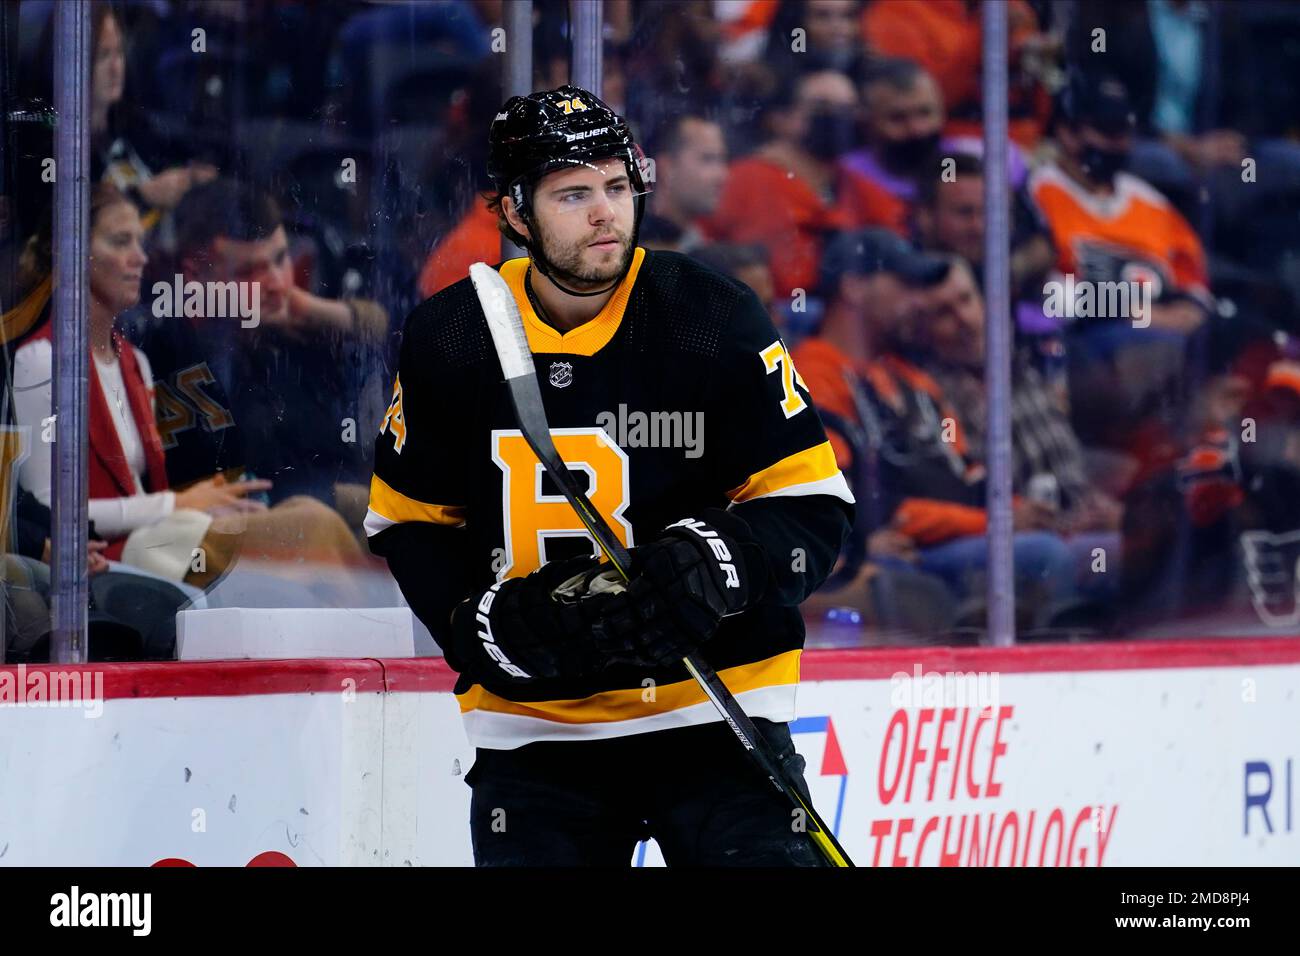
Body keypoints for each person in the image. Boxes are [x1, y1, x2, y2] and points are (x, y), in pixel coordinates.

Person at [367, 85, 854, 866]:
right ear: (516, 214)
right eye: (574, 194)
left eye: (618, 187)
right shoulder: (450, 337)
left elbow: (812, 512)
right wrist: (476, 625)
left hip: (715, 713)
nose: (606, 213)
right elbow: (413, 523)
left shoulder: (712, 316)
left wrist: (717, 562)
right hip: (535, 731)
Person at [700, 69, 904, 298]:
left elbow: (897, 243)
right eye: (822, 107)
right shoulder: (749, 178)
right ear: (781, 119)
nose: (838, 117)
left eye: (848, 108)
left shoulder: (851, 180)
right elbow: (781, 279)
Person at [638, 112, 729, 252]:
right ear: (667, 168)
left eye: (722, 160)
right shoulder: (636, 249)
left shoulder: (696, 243)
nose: (722, 175)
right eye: (707, 159)